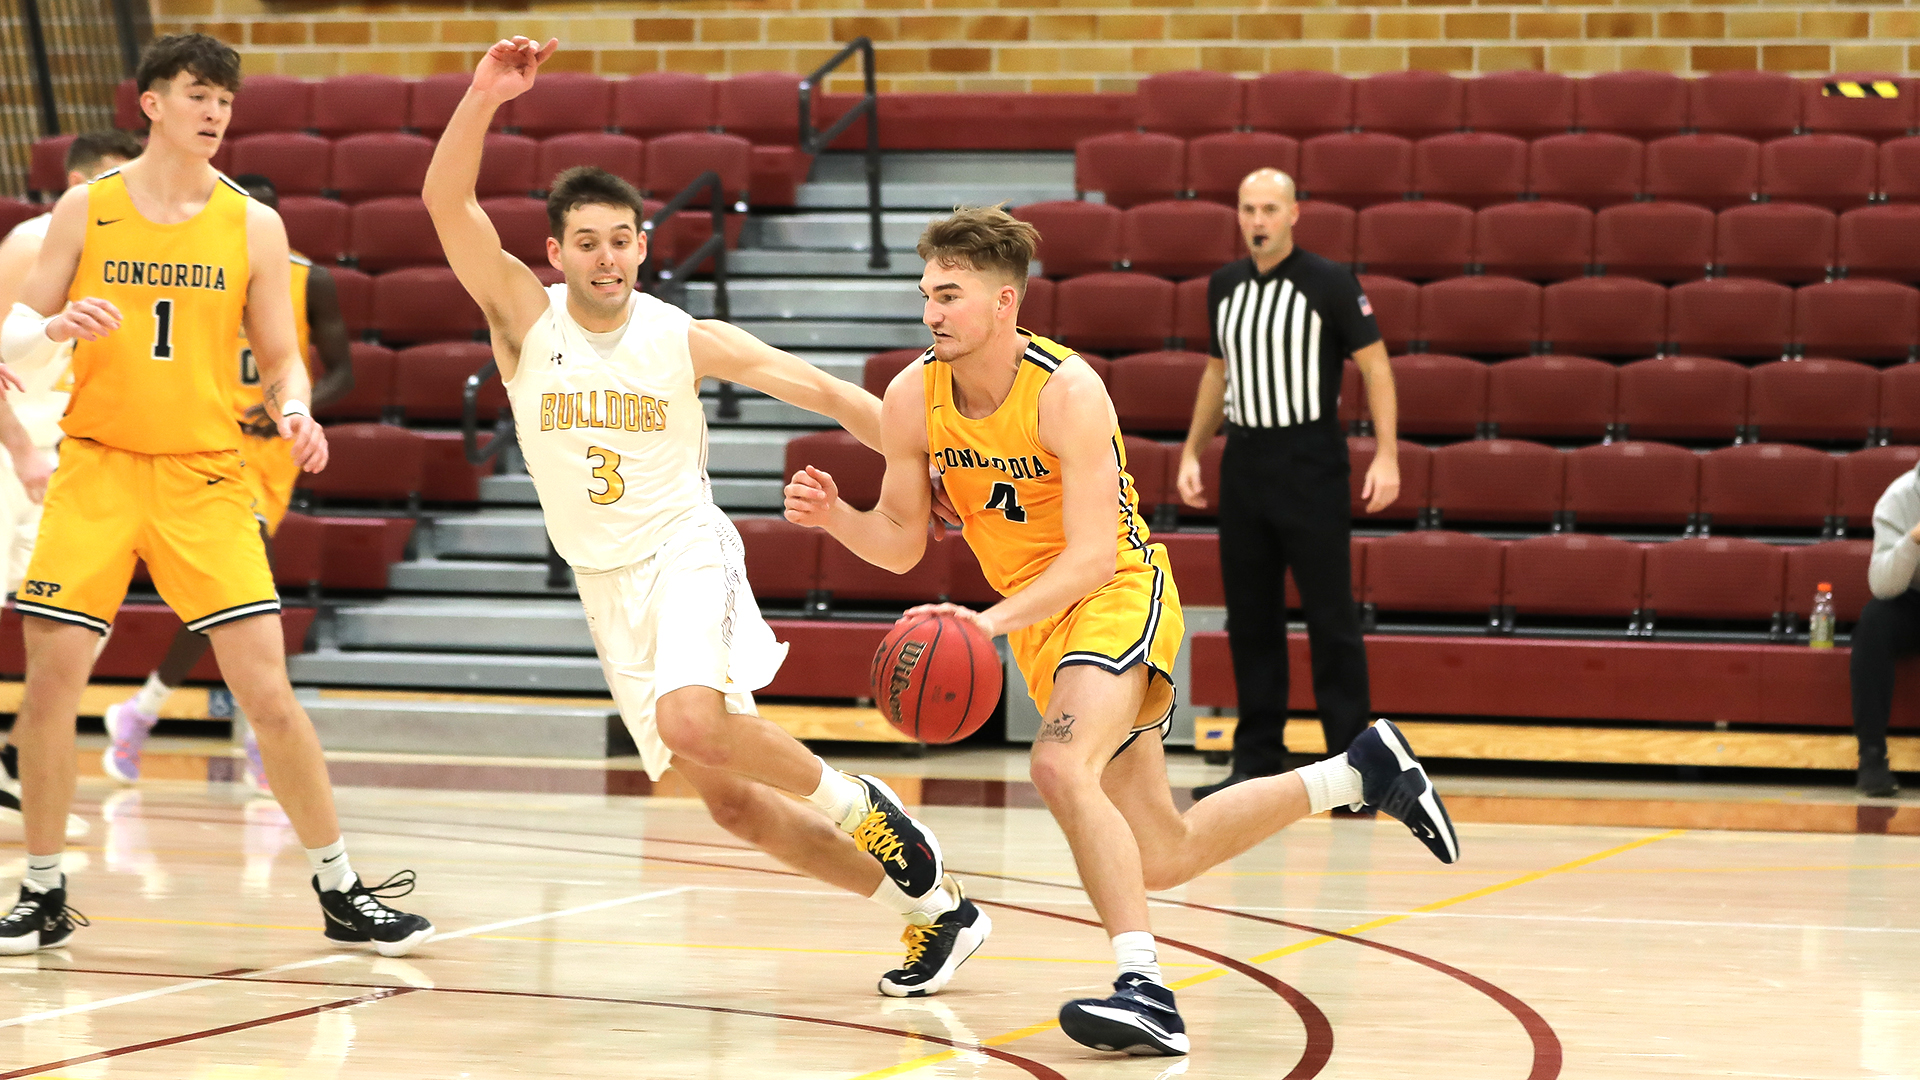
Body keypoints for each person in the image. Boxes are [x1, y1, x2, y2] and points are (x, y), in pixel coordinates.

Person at [784, 205, 1459, 1057]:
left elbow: (1093, 558)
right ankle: (1357, 773)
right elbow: (902, 541)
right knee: (1163, 850)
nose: (931, 313)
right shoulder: (915, 394)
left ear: (1003, 303)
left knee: (1059, 764)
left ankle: (1146, 988)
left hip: (1116, 594)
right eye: (926, 294)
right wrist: (840, 516)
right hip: (1036, 622)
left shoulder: (1067, 390)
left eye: (949, 296)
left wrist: (982, 622)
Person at [423, 37, 986, 997]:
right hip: (604, 586)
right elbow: (447, 204)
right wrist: (483, 96)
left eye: (622, 239)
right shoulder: (526, 317)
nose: (607, 257)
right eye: (587, 242)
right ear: (556, 254)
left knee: (694, 715)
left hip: (685, 549)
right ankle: (936, 914)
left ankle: (871, 808)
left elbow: (820, 390)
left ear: (644, 246)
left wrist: (917, 456)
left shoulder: (680, 337)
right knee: (734, 809)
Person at [0, 32, 431, 956]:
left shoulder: (253, 223)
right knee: (50, 684)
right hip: (98, 466)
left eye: (225, 103)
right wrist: (53, 328)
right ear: (150, 103)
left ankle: (340, 886)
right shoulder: (87, 209)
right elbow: (13, 338)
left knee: (267, 691)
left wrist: (299, 410)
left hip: (203, 475)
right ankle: (40, 891)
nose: (214, 114)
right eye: (197, 95)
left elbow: (281, 357)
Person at [101, 172, 356, 795]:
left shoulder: (305, 279)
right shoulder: (192, 270)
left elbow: (342, 374)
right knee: (236, 591)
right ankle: (240, 731)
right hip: (201, 441)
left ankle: (147, 712)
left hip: (270, 453)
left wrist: (293, 409)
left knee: (233, 594)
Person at [1176, 168, 1401, 801]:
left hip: (1311, 459)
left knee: (1330, 617)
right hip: (1245, 459)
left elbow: (1377, 368)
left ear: (1294, 213)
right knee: (1252, 617)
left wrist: (1387, 454)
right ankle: (1257, 759)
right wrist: (1194, 450)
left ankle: (1355, 770)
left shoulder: (1329, 281)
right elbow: (1216, 375)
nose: (1258, 220)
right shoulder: (1224, 286)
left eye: (1270, 209)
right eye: (1248, 209)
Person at [0, 130, 142, 839]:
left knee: (76, 622)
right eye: (116, 180)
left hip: (77, 449)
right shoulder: (30, 245)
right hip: (13, 448)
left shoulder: (122, 251)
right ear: (81, 183)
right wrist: (22, 448)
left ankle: (18, 764)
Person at [1853, 458, 1920, 797]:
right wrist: (1913, 539)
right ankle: (1872, 756)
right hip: (1911, 599)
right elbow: (1882, 585)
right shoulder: (1899, 497)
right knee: (1873, 622)